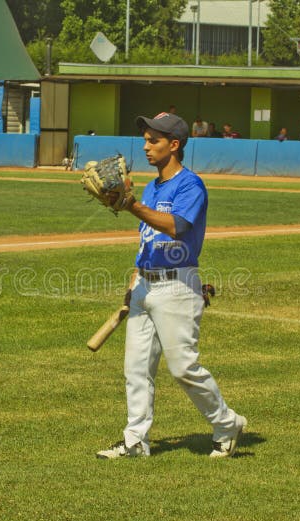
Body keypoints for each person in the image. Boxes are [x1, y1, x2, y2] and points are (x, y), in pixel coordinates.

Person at [96, 111, 246, 460]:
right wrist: (135, 275)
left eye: (154, 140)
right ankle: (135, 441)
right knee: (136, 368)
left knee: (183, 368)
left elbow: (177, 226)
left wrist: (131, 205)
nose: (146, 146)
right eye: (146, 139)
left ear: (174, 145)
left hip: (177, 287)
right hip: (146, 286)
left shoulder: (190, 185)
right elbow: (148, 236)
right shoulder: (152, 187)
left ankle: (226, 423)